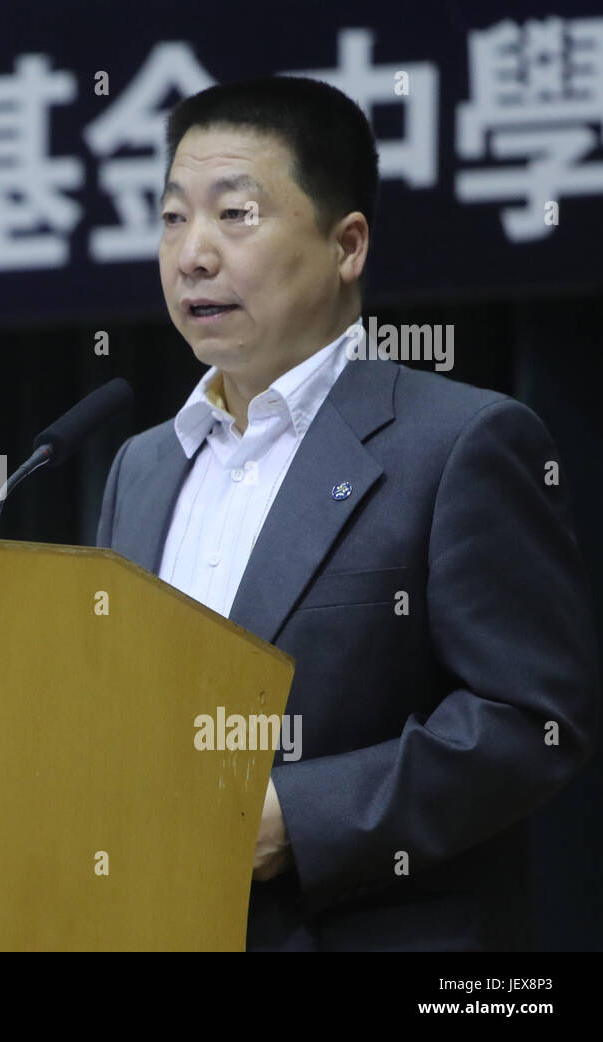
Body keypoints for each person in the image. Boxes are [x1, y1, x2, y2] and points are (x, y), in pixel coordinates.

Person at [94, 76, 598, 950]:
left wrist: (299, 814)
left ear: (347, 245)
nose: (193, 255)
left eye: (236, 214)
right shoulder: (143, 466)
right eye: (173, 218)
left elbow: (534, 717)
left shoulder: (460, 443)